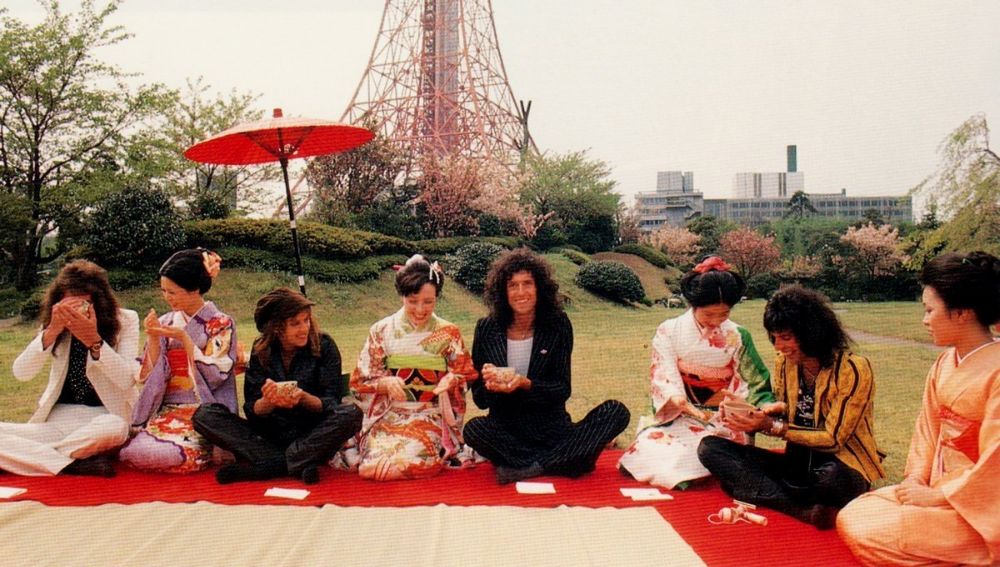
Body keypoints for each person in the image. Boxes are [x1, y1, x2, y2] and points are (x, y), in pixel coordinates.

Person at [838, 251, 1000, 565]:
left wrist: (940, 497)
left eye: (929, 310)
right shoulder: (944, 364)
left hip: (982, 505)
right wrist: (915, 481)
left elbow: (997, 462)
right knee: (855, 514)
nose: (924, 320)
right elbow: (928, 433)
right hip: (941, 491)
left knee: (870, 532)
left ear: (962, 312)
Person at [697, 285, 884, 529]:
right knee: (710, 449)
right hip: (797, 464)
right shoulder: (785, 363)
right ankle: (798, 508)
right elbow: (790, 409)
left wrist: (772, 426)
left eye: (785, 337)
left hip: (841, 465)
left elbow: (833, 439)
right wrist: (755, 413)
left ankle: (757, 490)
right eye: (774, 338)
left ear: (811, 332)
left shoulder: (853, 368)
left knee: (829, 480)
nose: (778, 346)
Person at [464, 249, 630, 485]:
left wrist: (525, 384)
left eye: (527, 284)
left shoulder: (557, 325)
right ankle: (567, 461)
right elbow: (480, 400)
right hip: (507, 431)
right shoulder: (487, 328)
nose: (521, 292)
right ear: (503, 291)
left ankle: (530, 467)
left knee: (616, 411)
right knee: (474, 430)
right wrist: (492, 384)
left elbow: (562, 389)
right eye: (513, 285)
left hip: (552, 430)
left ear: (539, 287)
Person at [618, 256, 773, 489]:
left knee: (707, 449)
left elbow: (754, 382)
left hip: (724, 418)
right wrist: (686, 406)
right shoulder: (669, 330)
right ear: (693, 305)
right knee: (652, 448)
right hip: (681, 414)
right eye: (709, 314)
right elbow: (665, 375)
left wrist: (748, 409)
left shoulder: (738, 335)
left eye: (724, 314)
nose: (717, 321)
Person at [193, 288, 362, 484]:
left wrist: (303, 398)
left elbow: (331, 403)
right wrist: (268, 401)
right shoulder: (260, 351)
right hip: (268, 436)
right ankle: (295, 463)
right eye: (295, 323)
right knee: (204, 415)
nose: (304, 328)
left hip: (311, 434)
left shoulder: (324, 346)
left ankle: (270, 466)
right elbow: (252, 409)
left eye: (306, 320)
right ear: (277, 328)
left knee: (351, 413)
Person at [340, 254, 477, 480]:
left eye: (428, 301)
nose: (421, 309)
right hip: (390, 412)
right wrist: (384, 383)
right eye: (412, 301)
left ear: (437, 298)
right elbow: (360, 381)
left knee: (417, 458)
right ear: (402, 296)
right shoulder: (381, 330)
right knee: (373, 464)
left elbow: (466, 372)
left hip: (430, 412)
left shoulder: (448, 331)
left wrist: (451, 379)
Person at [2, 260, 138, 477]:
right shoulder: (53, 323)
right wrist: (52, 331)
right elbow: (21, 373)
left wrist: (94, 341)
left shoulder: (126, 320)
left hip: (104, 417)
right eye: (68, 305)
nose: (74, 312)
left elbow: (127, 379)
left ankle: (28, 457)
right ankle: (72, 463)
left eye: (82, 305)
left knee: (116, 427)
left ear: (98, 303)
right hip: (58, 420)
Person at [119, 248, 237, 473]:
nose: (167, 297)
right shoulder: (166, 321)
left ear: (194, 289)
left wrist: (185, 339)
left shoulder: (220, 323)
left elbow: (217, 374)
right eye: (164, 291)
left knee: (170, 455)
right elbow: (148, 375)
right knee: (131, 453)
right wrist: (154, 336)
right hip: (169, 410)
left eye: (173, 292)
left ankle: (204, 450)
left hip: (204, 411)